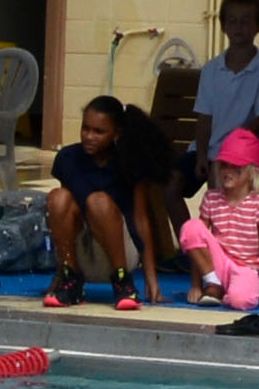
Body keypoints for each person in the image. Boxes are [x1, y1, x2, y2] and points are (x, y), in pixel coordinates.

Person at [47, 93, 173, 310]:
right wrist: (58, 276)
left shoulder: (129, 162)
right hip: (84, 253)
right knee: (57, 197)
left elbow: (141, 220)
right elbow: (64, 217)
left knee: (98, 201)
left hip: (121, 252)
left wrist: (151, 278)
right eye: (85, 128)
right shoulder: (68, 158)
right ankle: (70, 281)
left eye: (98, 131)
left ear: (117, 133)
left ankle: (123, 283)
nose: (88, 136)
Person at [180, 127, 259, 311]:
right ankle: (213, 284)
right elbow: (196, 244)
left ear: (252, 173)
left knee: (240, 301)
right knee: (191, 227)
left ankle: (231, 289)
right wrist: (195, 285)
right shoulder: (212, 197)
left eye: (236, 167)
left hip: (248, 269)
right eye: (224, 165)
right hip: (218, 265)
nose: (227, 171)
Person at [192, 0, 259, 159]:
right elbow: (204, 119)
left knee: (221, 177)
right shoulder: (211, 69)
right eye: (232, 21)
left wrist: (230, 147)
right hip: (205, 151)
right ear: (223, 26)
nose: (238, 27)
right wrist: (201, 157)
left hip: (244, 152)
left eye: (245, 21)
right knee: (173, 179)